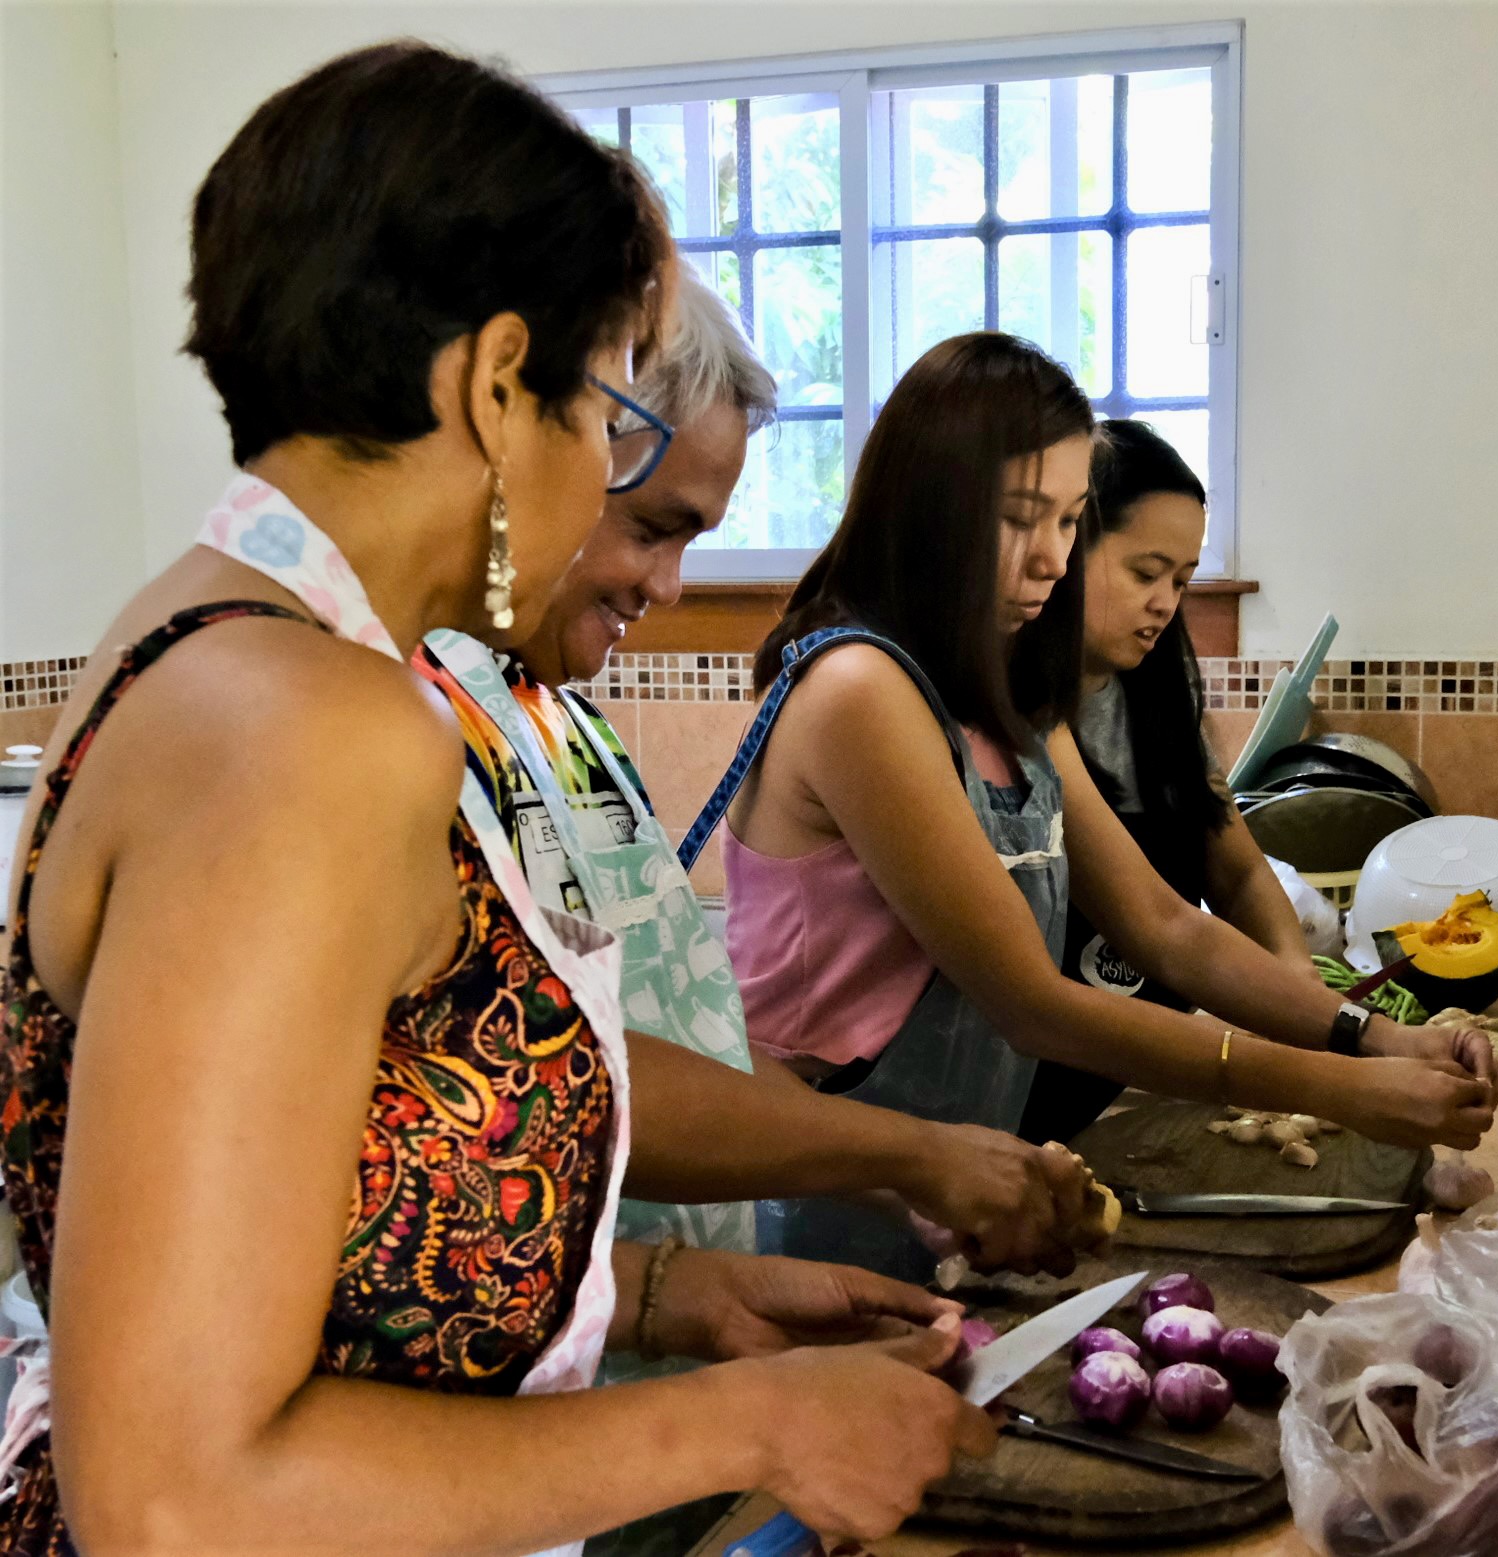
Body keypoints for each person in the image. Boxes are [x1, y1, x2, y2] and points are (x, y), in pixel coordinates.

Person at [0, 45, 995, 1557]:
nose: (605, 479)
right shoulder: (303, 729)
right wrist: (749, 1423)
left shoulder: (217, 648)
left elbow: (342, 1170)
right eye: (605, 420)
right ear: (489, 383)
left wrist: (656, 1289)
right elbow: (171, 1501)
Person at [419, 273, 1095, 1552]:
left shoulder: (548, 717)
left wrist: (684, 1289)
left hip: (623, 1357)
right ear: (509, 431)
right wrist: (898, 1154)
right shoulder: (365, 731)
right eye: (653, 525)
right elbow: (530, 1107)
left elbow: (613, 1043)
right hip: (503, 1440)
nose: (672, 585)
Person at [689, 332, 1498, 1282]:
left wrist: (1378, 1037)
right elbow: (1034, 1006)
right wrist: (1349, 1087)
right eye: (1019, 517)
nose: (1050, 560)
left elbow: (1167, 926)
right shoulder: (861, 690)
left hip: (945, 1191)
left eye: (1070, 521)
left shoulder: (1005, 699)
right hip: (811, 1198)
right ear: (932, 506)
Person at [1020, 419, 1320, 1143]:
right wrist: (1337, 1053)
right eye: (1145, 572)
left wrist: (1301, 996)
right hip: (1036, 1094)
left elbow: (1236, 868)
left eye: (1181, 581)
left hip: (1143, 1082)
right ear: (1067, 549)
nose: (1165, 603)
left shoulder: (1158, 685)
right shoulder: (1015, 705)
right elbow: (1160, 927)